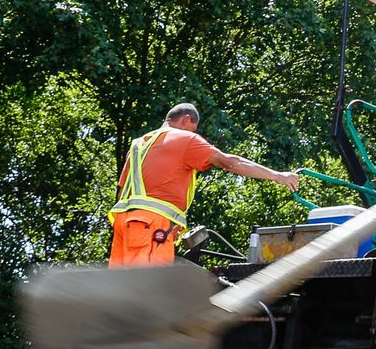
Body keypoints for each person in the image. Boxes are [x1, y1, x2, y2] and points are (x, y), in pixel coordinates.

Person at [108, 103, 299, 267]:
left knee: (121, 291)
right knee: (147, 290)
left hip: (124, 226)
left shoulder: (138, 145)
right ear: (186, 119)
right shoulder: (184, 139)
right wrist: (277, 176)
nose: (194, 134)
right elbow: (229, 162)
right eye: (193, 128)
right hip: (150, 226)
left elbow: (122, 190)